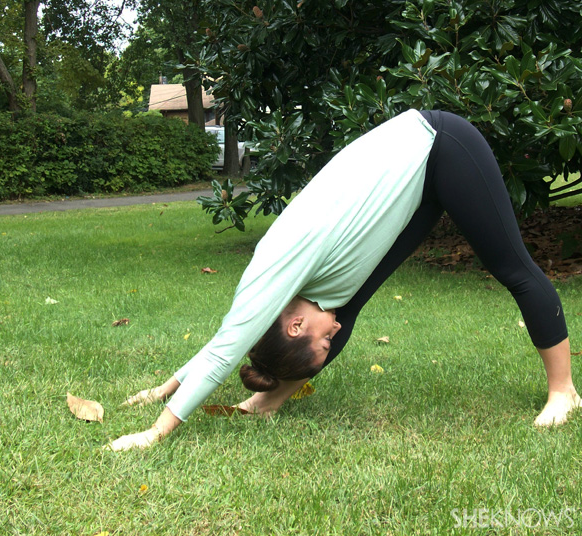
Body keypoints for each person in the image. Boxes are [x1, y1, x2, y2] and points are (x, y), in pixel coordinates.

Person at [107, 109, 580, 451]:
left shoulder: (277, 267)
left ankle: (565, 391)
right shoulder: (289, 300)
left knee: (511, 268)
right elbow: (230, 336)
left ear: (292, 326)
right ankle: (268, 402)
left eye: (321, 342)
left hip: (441, 145)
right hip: (418, 185)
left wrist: (155, 431)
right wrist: (162, 387)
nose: (333, 336)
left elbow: (224, 350)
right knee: (343, 309)